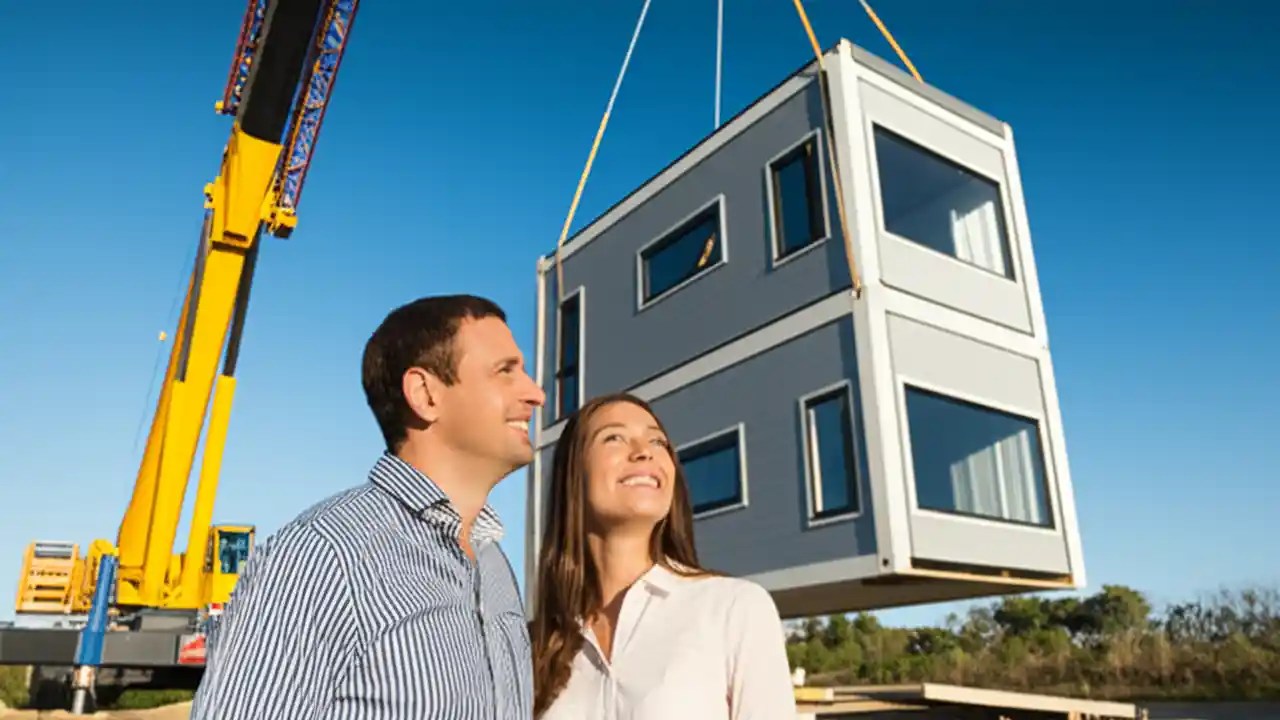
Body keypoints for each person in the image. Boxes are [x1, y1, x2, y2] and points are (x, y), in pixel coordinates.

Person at [189, 294, 544, 719]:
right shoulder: (321, 556)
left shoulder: (494, 564)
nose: (535, 393)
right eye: (505, 371)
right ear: (426, 394)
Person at [529, 392, 797, 719]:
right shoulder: (534, 646)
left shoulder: (734, 608)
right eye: (614, 437)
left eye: (658, 443)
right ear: (572, 473)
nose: (644, 453)